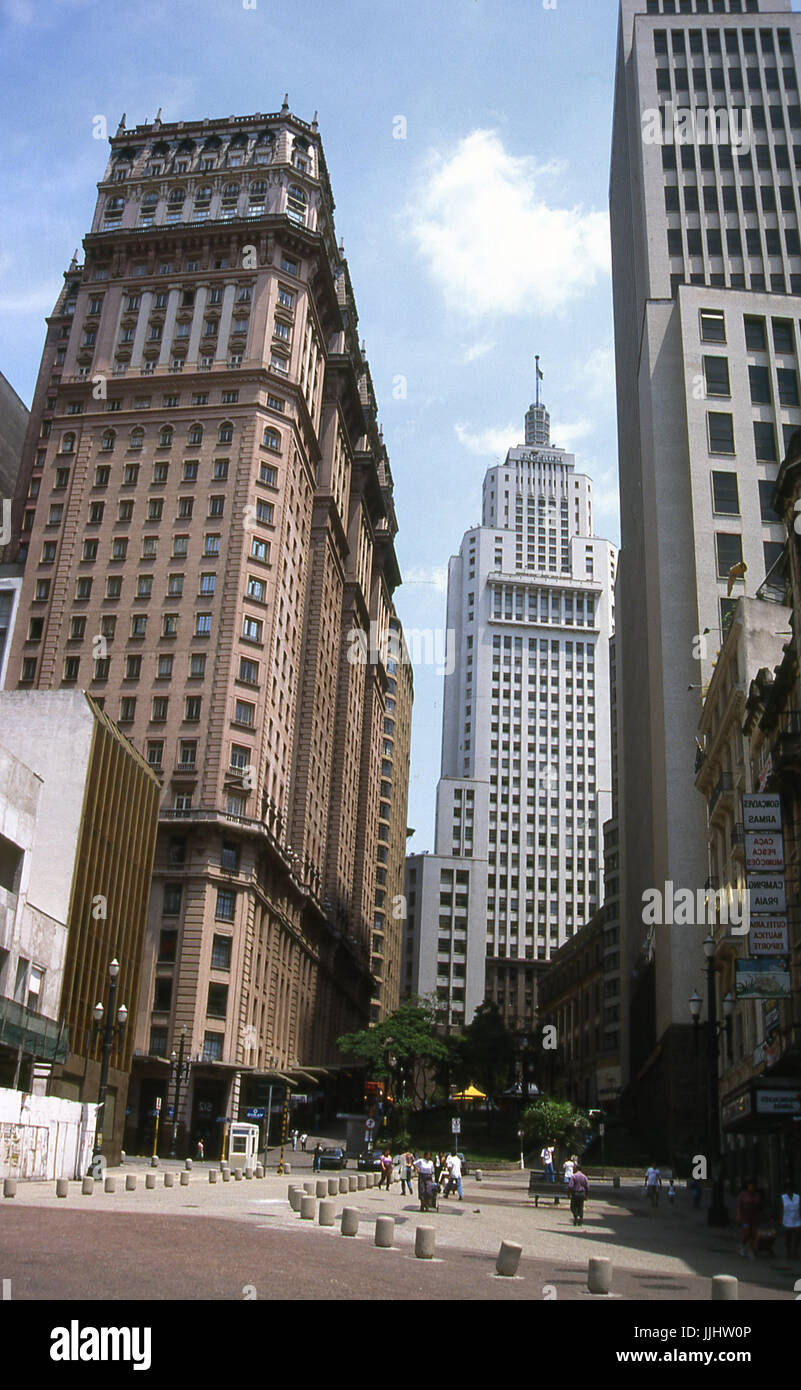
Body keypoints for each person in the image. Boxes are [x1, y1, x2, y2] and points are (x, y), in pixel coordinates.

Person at [736, 1177, 762, 1260]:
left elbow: (760, 1206)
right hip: (745, 1216)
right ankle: (742, 1245)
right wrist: (739, 1215)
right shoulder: (742, 1194)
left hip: (754, 1217)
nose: (751, 1187)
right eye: (750, 1185)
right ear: (747, 1186)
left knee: (753, 1234)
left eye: (753, 1185)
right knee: (747, 1233)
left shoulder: (757, 1194)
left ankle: (751, 1250)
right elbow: (739, 1206)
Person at [780, 1182, 801, 1260]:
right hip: (787, 1219)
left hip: (796, 1219)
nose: (789, 1191)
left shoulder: (797, 1197)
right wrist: (780, 1219)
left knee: (798, 1235)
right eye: (787, 1189)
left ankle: (795, 1250)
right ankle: (789, 1251)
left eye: (790, 1189)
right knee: (788, 1237)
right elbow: (781, 1209)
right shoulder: (783, 1197)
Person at [568, 1162, 590, 1226]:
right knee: (580, 1207)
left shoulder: (574, 1176)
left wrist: (568, 1193)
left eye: (574, 1168)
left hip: (575, 1193)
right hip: (582, 1193)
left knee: (572, 1207)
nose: (573, 1169)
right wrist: (587, 1195)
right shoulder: (584, 1177)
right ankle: (580, 1218)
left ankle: (576, 1216)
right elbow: (587, 1187)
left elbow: (570, 1186)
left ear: (577, 1169)